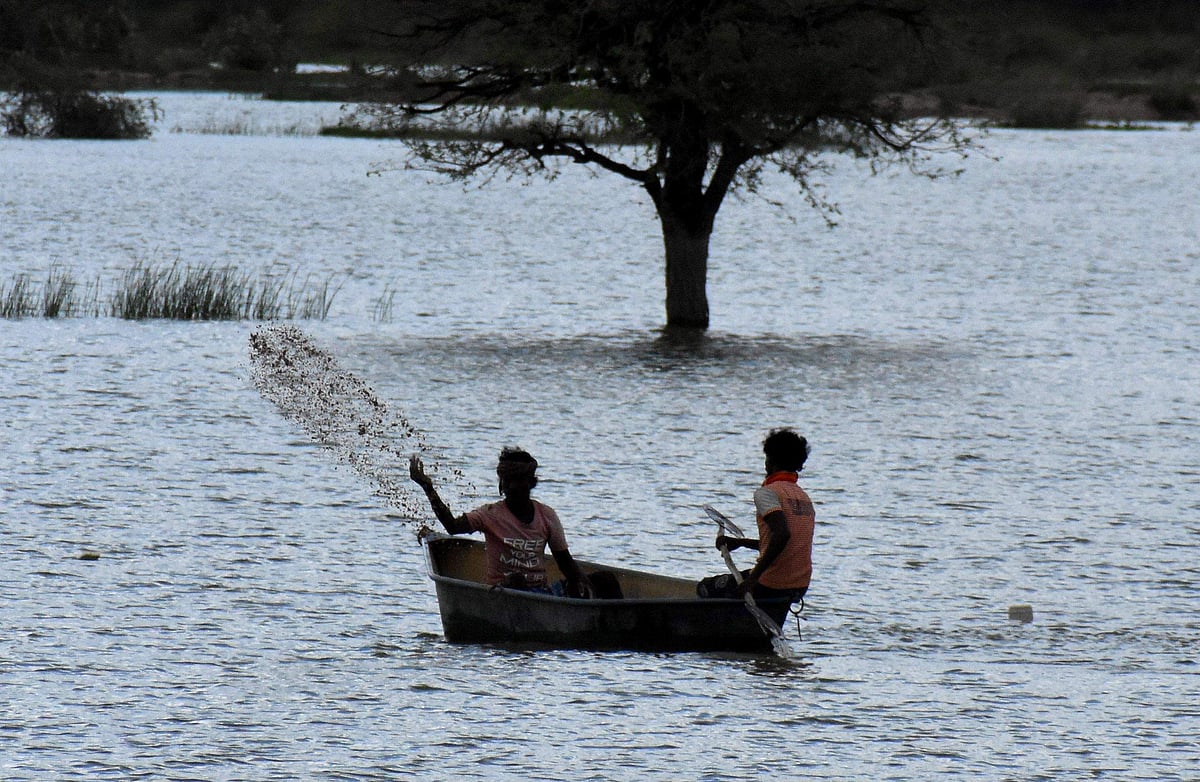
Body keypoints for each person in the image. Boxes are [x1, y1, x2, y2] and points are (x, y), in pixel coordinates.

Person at [409, 447, 593, 597]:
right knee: (516, 580)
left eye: (519, 481)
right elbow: (453, 527)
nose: (512, 486)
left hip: (541, 593)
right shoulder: (490, 514)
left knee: (605, 581)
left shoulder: (547, 516)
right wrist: (428, 487)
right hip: (503, 592)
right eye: (508, 481)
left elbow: (566, 563)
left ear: (531, 483)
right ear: (501, 484)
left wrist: (582, 583)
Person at [708, 428, 815, 603]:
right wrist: (741, 543)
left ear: (771, 461)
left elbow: (782, 535)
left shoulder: (766, 493)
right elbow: (788, 546)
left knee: (706, 588)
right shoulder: (803, 497)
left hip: (771, 584)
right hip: (799, 585)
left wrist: (753, 579)